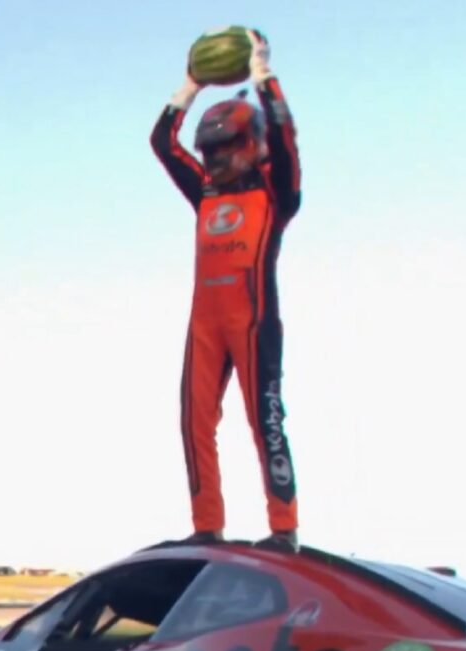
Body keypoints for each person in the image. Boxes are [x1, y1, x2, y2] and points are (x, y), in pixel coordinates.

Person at [149, 29, 303, 553]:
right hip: (205, 325)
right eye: (208, 151)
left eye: (222, 149)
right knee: (194, 425)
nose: (213, 160)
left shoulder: (276, 190)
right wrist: (190, 85)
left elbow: (285, 137)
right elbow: (161, 143)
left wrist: (264, 78)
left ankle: (284, 527)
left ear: (248, 143)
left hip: (255, 322)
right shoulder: (205, 191)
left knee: (266, 421)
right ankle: (206, 525)